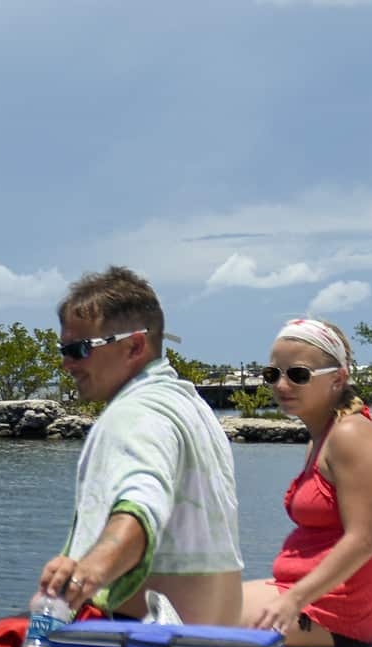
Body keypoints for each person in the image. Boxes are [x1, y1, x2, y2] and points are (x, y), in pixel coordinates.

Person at [36, 266, 243, 626]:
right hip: (217, 638)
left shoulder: (137, 414)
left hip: (149, 644)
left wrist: (86, 574)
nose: (66, 363)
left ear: (133, 346)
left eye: (79, 349)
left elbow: (141, 503)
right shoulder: (191, 405)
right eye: (64, 349)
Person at [239, 317, 372, 647]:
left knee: (196, 613)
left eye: (298, 375)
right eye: (273, 374)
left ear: (338, 379)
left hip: (337, 609)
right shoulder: (321, 437)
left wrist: (293, 601)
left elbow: (363, 540)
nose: (282, 385)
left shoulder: (352, 435)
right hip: (302, 590)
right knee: (183, 596)